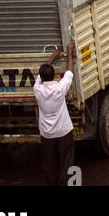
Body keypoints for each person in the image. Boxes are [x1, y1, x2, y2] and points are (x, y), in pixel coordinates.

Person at [34, 43, 76, 187]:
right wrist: (69, 52)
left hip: (47, 135)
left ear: (42, 77)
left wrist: (52, 57)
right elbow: (70, 72)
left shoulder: (38, 90)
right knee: (66, 162)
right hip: (64, 132)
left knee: (50, 166)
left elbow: (41, 74)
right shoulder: (59, 88)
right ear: (54, 76)